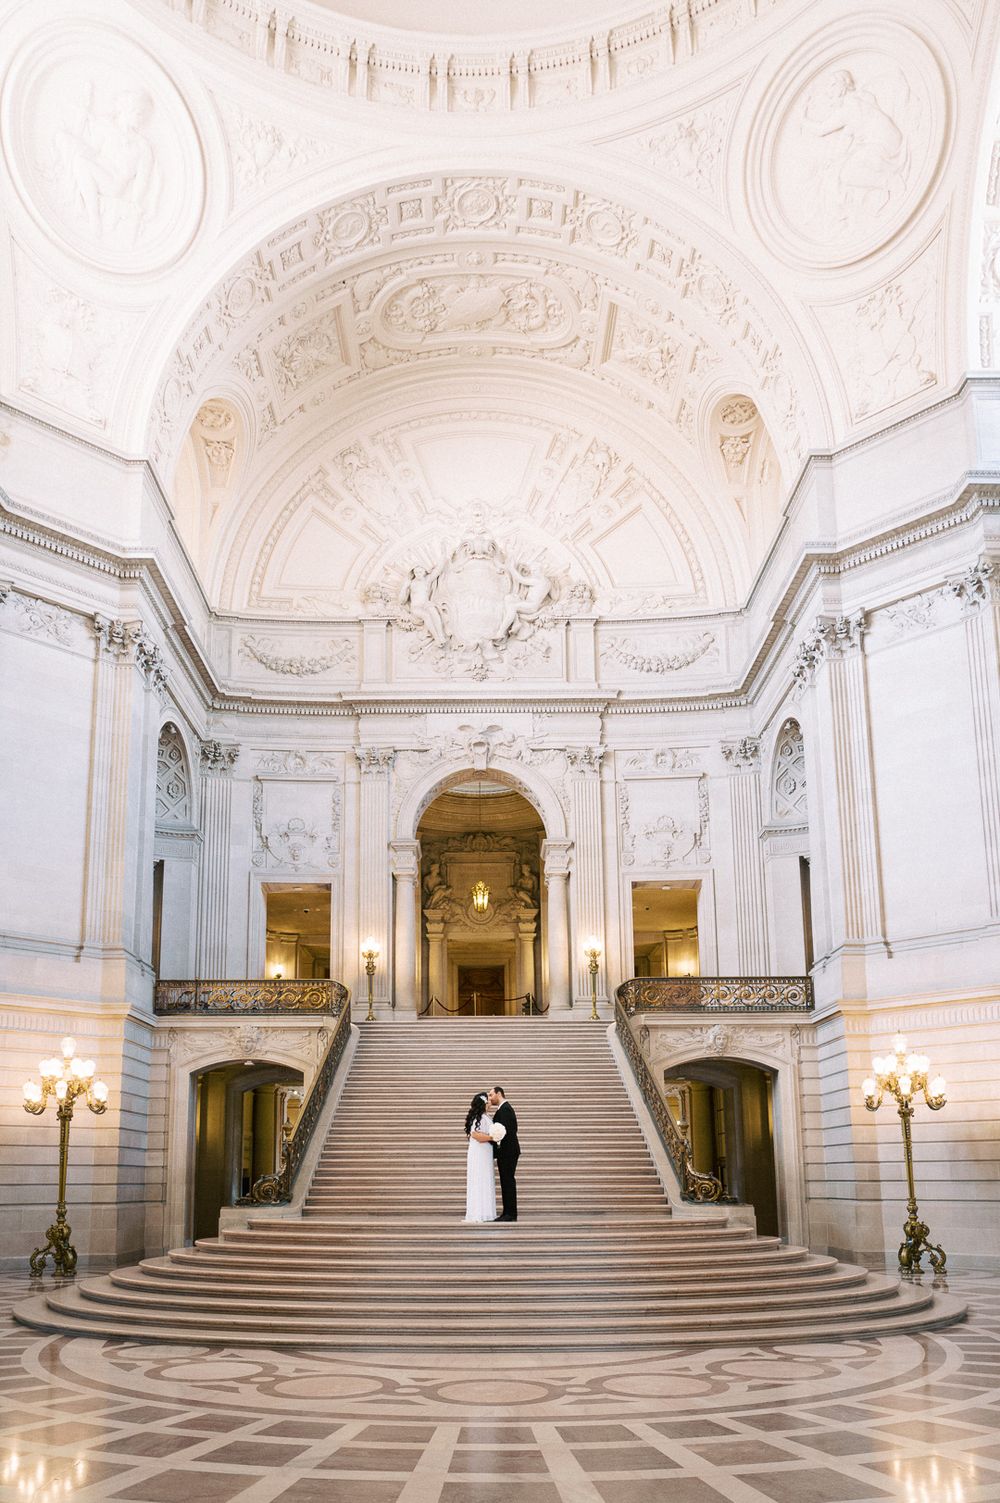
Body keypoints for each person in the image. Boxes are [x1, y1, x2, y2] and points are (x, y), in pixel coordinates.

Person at [463, 1093, 505, 1224]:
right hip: (479, 1153)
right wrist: (493, 1137)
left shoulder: (485, 1117)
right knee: (479, 1179)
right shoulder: (479, 1117)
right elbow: (476, 1135)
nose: (489, 1104)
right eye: (487, 1102)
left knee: (485, 1179)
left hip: (485, 1153)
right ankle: (478, 1212)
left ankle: (486, 1212)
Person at [487, 1085, 520, 1221]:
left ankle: (510, 1214)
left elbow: (506, 1132)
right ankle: (507, 1212)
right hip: (506, 1152)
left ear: (499, 1093)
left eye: (491, 1095)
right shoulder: (504, 1109)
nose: (490, 1098)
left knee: (508, 1181)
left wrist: (493, 1139)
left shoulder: (505, 1109)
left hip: (508, 1152)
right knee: (506, 1181)